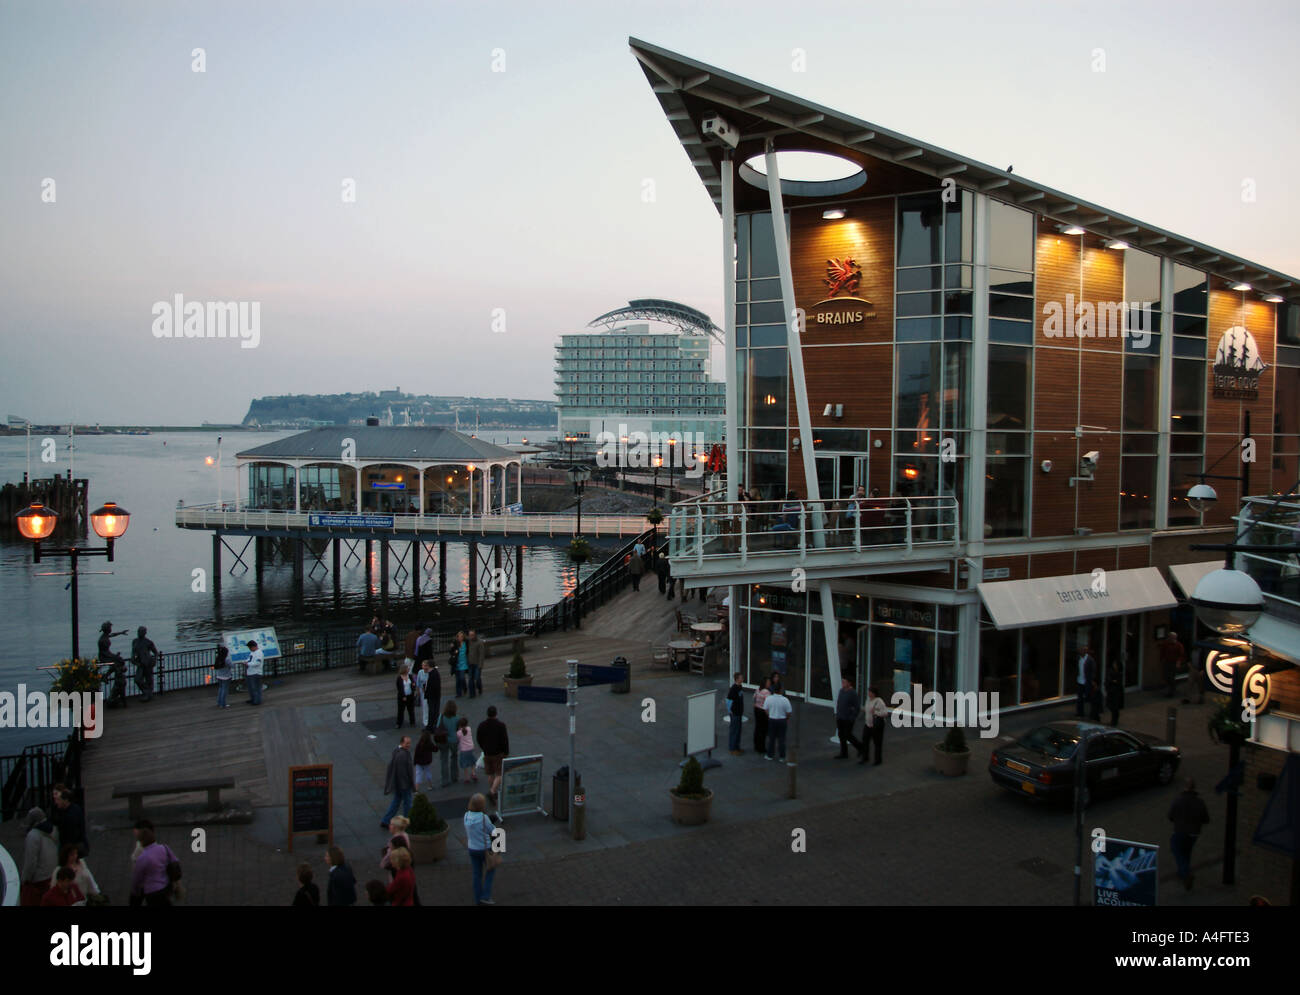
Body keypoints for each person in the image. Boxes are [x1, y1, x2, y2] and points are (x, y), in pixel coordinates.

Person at [1168, 778, 1210, 890]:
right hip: (1193, 834)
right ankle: (1183, 871)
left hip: (1180, 831)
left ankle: (1185, 874)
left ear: (1184, 788)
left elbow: (1170, 816)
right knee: (1187, 852)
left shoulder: (1178, 800)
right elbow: (1206, 819)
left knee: (1177, 851)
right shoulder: (1200, 802)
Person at [130, 820, 179, 906]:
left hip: (152, 894)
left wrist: (135, 892)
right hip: (165, 888)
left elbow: (137, 879)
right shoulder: (164, 848)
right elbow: (175, 862)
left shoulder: (142, 858)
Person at [19, 807, 59, 907]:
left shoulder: (33, 836)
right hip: (52, 874)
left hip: (39, 880)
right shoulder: (53, 829)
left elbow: (31, 862)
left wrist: (25, 879)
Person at [464, 793, 498, 905]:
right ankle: (486, 895)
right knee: (490, 869)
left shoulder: (466, 816)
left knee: (476, 874)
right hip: (485, 849)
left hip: (472, 848)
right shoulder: (484, 818)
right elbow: (493, 831)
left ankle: (478, 898)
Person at [477, 705, 510, 803]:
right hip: (498, 753)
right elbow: (505, 740)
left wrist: (483, 747)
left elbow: (478, 738)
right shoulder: (501, 725)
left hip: (487, 753)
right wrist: (506, 752)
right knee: (499, 774)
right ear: (496, 713)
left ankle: (493, 791)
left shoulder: (481, 725)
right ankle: (492, 791)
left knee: (490, 774)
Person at [380, 735, 415, 829]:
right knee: (407, 802)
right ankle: (407, 822)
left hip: (398, 783)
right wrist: (408, 783)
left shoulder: (397, 751)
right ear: (402, 743)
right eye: (407, 743)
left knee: (396, 801)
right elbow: (403, 772)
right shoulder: (403, 755)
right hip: (404, 784)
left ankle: (386, 820)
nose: (409, 745)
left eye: (409, 743)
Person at [99, 622, 129, 708]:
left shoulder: (105, 637)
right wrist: (114, 656)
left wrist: (121, 633)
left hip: (108, 654)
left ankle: (106, 676)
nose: (111, 629)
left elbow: (112, 635)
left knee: (119, 662)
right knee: (118, 662)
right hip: (104, 656)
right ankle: (106, 676)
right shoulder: (102, 640)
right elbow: (104, 652)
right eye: (110, 627)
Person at [835, 677, 865, 761]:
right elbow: (839, 702)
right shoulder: (841, 691)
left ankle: (860, 747)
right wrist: (838, 714)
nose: (843, 683)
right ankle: (844, 752)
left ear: (849, 683)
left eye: (844, 682)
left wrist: (852, 717)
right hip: (840, 717)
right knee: (841, 735)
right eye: (842, 681)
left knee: (848, 735)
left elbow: (857, 707)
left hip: (848, 718)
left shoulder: (852, 693)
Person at [51, 788, 87, 857]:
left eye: (59, 800)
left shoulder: (69, 816)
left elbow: (71, 834)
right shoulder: (75, 809)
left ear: (65, 800)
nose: (56, 802)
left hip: (71, 849)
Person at [131, 626, 161, 702]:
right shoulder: (135, 641)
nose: (139, 633)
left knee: (149, 680)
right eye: (138, 631)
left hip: (148, 662)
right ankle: (147, 692)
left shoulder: (148, 642)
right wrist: (133, 659)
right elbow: (133, 652)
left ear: (144, 633)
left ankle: (148, 694)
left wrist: (154, 660)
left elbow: (156, 652)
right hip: (140, 663)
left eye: (141, 632)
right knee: (137, 679)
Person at [764, 685, 792, 762]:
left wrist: (770, 715)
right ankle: (782, 756)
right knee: (781, 739)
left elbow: (765, 709)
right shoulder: (785, 700)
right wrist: (786, 719)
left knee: (771, 738)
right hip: (782, 720)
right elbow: (789, 712)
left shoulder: (768, 699)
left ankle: (770, 755)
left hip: (772, 720)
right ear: (781, 690)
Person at [862, 686, 888, 765]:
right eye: (868, 692)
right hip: (868, 724)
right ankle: (865, 757)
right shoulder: (868, 700)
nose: (868, 693)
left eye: (870, 692)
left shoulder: (879, 701)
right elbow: (867, 710)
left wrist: (876, 712)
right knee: (865, 741)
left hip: (876, 725)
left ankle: (878, 760)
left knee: (877, 743)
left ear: (874, 693)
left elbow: (885, 713)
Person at [438, 701, 460, 787]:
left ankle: (445, 780)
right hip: (453, 740)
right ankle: (454, 776)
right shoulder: (456, 718)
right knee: (454, 757)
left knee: (444, 760)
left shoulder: (442, 716)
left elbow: (438, 727)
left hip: (443, 740)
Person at [1160, 632, 1186, 699]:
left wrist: (1178, 662)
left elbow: (1181, 655)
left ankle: (1171, 691)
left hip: (1174, 663)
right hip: (1167, 662)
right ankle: (1169, 689)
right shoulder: (1165, 644)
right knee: (1166, 676)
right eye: (1171, 637)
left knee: (1171, 677)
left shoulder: (1178, 645)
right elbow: (1162, 652)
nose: (1172, 638)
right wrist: (1162, 660)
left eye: (1173, 637)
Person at [1074, 645, 1097, 718]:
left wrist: (1092, 680)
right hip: (1080, 681)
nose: (1080, 652)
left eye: (1081, 651)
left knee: (1090, 698)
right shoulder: (1079, 658)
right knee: (1079, 698)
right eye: (1079, 651)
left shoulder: (1090, 660)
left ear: (1085, 651)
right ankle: (1080, 713)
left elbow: (1093, 670)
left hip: (1087, 682)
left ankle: (1093, 713)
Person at [726, 673, 745, 755]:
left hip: (739, 712)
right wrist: (731, 711)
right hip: (735, 713)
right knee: (734, 730)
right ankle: (732, 748)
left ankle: (737, 747)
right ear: (737, 679)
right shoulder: (733, 689)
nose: (742, 679)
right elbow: (728, 701)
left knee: (738, 731)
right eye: (741, 677)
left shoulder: (740, 687)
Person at [423, 657, 443, 732]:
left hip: (433, 697)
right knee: (434, 712)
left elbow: (433, 686)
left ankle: (431, 727)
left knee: (432, 712)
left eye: (426, 665)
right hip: (435, 696)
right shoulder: (434, 673)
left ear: (429, 666)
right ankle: (432, 726)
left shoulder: (433, 674)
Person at [457, 717, 478, 783]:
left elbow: (458, 739)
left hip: (463, 750)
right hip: (470, 748)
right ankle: (473, 773)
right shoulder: (469, 729)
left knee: (464, 764)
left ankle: (467, 778)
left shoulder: (458, 733)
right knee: (472, 762)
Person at [752, 676, 771, 755]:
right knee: (763, 730)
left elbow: (754, 697)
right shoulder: (766, 692)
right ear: (765, 683)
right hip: (763, 711)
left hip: (757, 710)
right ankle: (761, 747)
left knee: (757, 727)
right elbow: (769, 702)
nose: (769, 684)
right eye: (768, 682)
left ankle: (756, 745)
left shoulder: (758, 689)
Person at [395, 662, 417, 728]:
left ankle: (412, 722)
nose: (408, 669)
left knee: (411, 710)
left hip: (410, 696)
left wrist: (413, 685)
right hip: (402, 697)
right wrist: (403, 696)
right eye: (407, 668)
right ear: (404, 669)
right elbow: (399, 688)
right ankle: (399, 723)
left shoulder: (410, 676)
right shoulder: (399, 678)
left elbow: (413, 684)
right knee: (401, 711)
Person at [1105, 660, 1125, 727]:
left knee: (1115, 707)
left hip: (1116, 693)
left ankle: (1114, 721)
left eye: (1115, 664)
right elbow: (1109, 680)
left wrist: (1113, 681)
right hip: (1111, 692)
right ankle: (1114, 720)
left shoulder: (1119, 673)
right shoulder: (1111, 671)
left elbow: (1118, 682)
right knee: (1111, 706)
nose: (1114, 665)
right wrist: (1112, 681)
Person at [245, 639, 265, 705]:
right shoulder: (252, 652)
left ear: (254, 646)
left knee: (256, 688)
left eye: (250, 647)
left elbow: (257, 662)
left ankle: (257, 701)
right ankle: (253, 699)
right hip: (250, 672)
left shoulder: (259, 653)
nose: (249, 649)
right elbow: (249, 659)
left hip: (256, 673)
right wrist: (245, 662)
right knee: (251, 688)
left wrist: (248, 664)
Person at [213, 643, 233, 708]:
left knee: (220, 689)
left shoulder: (218, 657)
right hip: (226, 676)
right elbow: (232, 666)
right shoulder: (227, 659)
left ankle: (219, 702)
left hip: (219, 675)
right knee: (225, 690)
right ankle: (223, 704)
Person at [467, 629, 485, 698]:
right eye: (470, 635)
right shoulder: (468, 641)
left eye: (472, 635)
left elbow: (481, 655)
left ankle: (479, 687)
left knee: (477, 678)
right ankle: (472, 694)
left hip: (477, 664)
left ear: (475, 635)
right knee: (470, 679)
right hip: (470, 663)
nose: (471, 636)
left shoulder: (479, 642)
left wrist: (480, 665)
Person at [454, 631, 469, 698]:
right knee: (457, 680)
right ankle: (458, 693)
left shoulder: (466, 643)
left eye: (462, 636)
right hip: (457, 663)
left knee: (462, 678)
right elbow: (451, 651)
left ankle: (465, 687)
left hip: (464, 663)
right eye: (459, 636)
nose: (460, 638)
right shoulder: (455, 644)